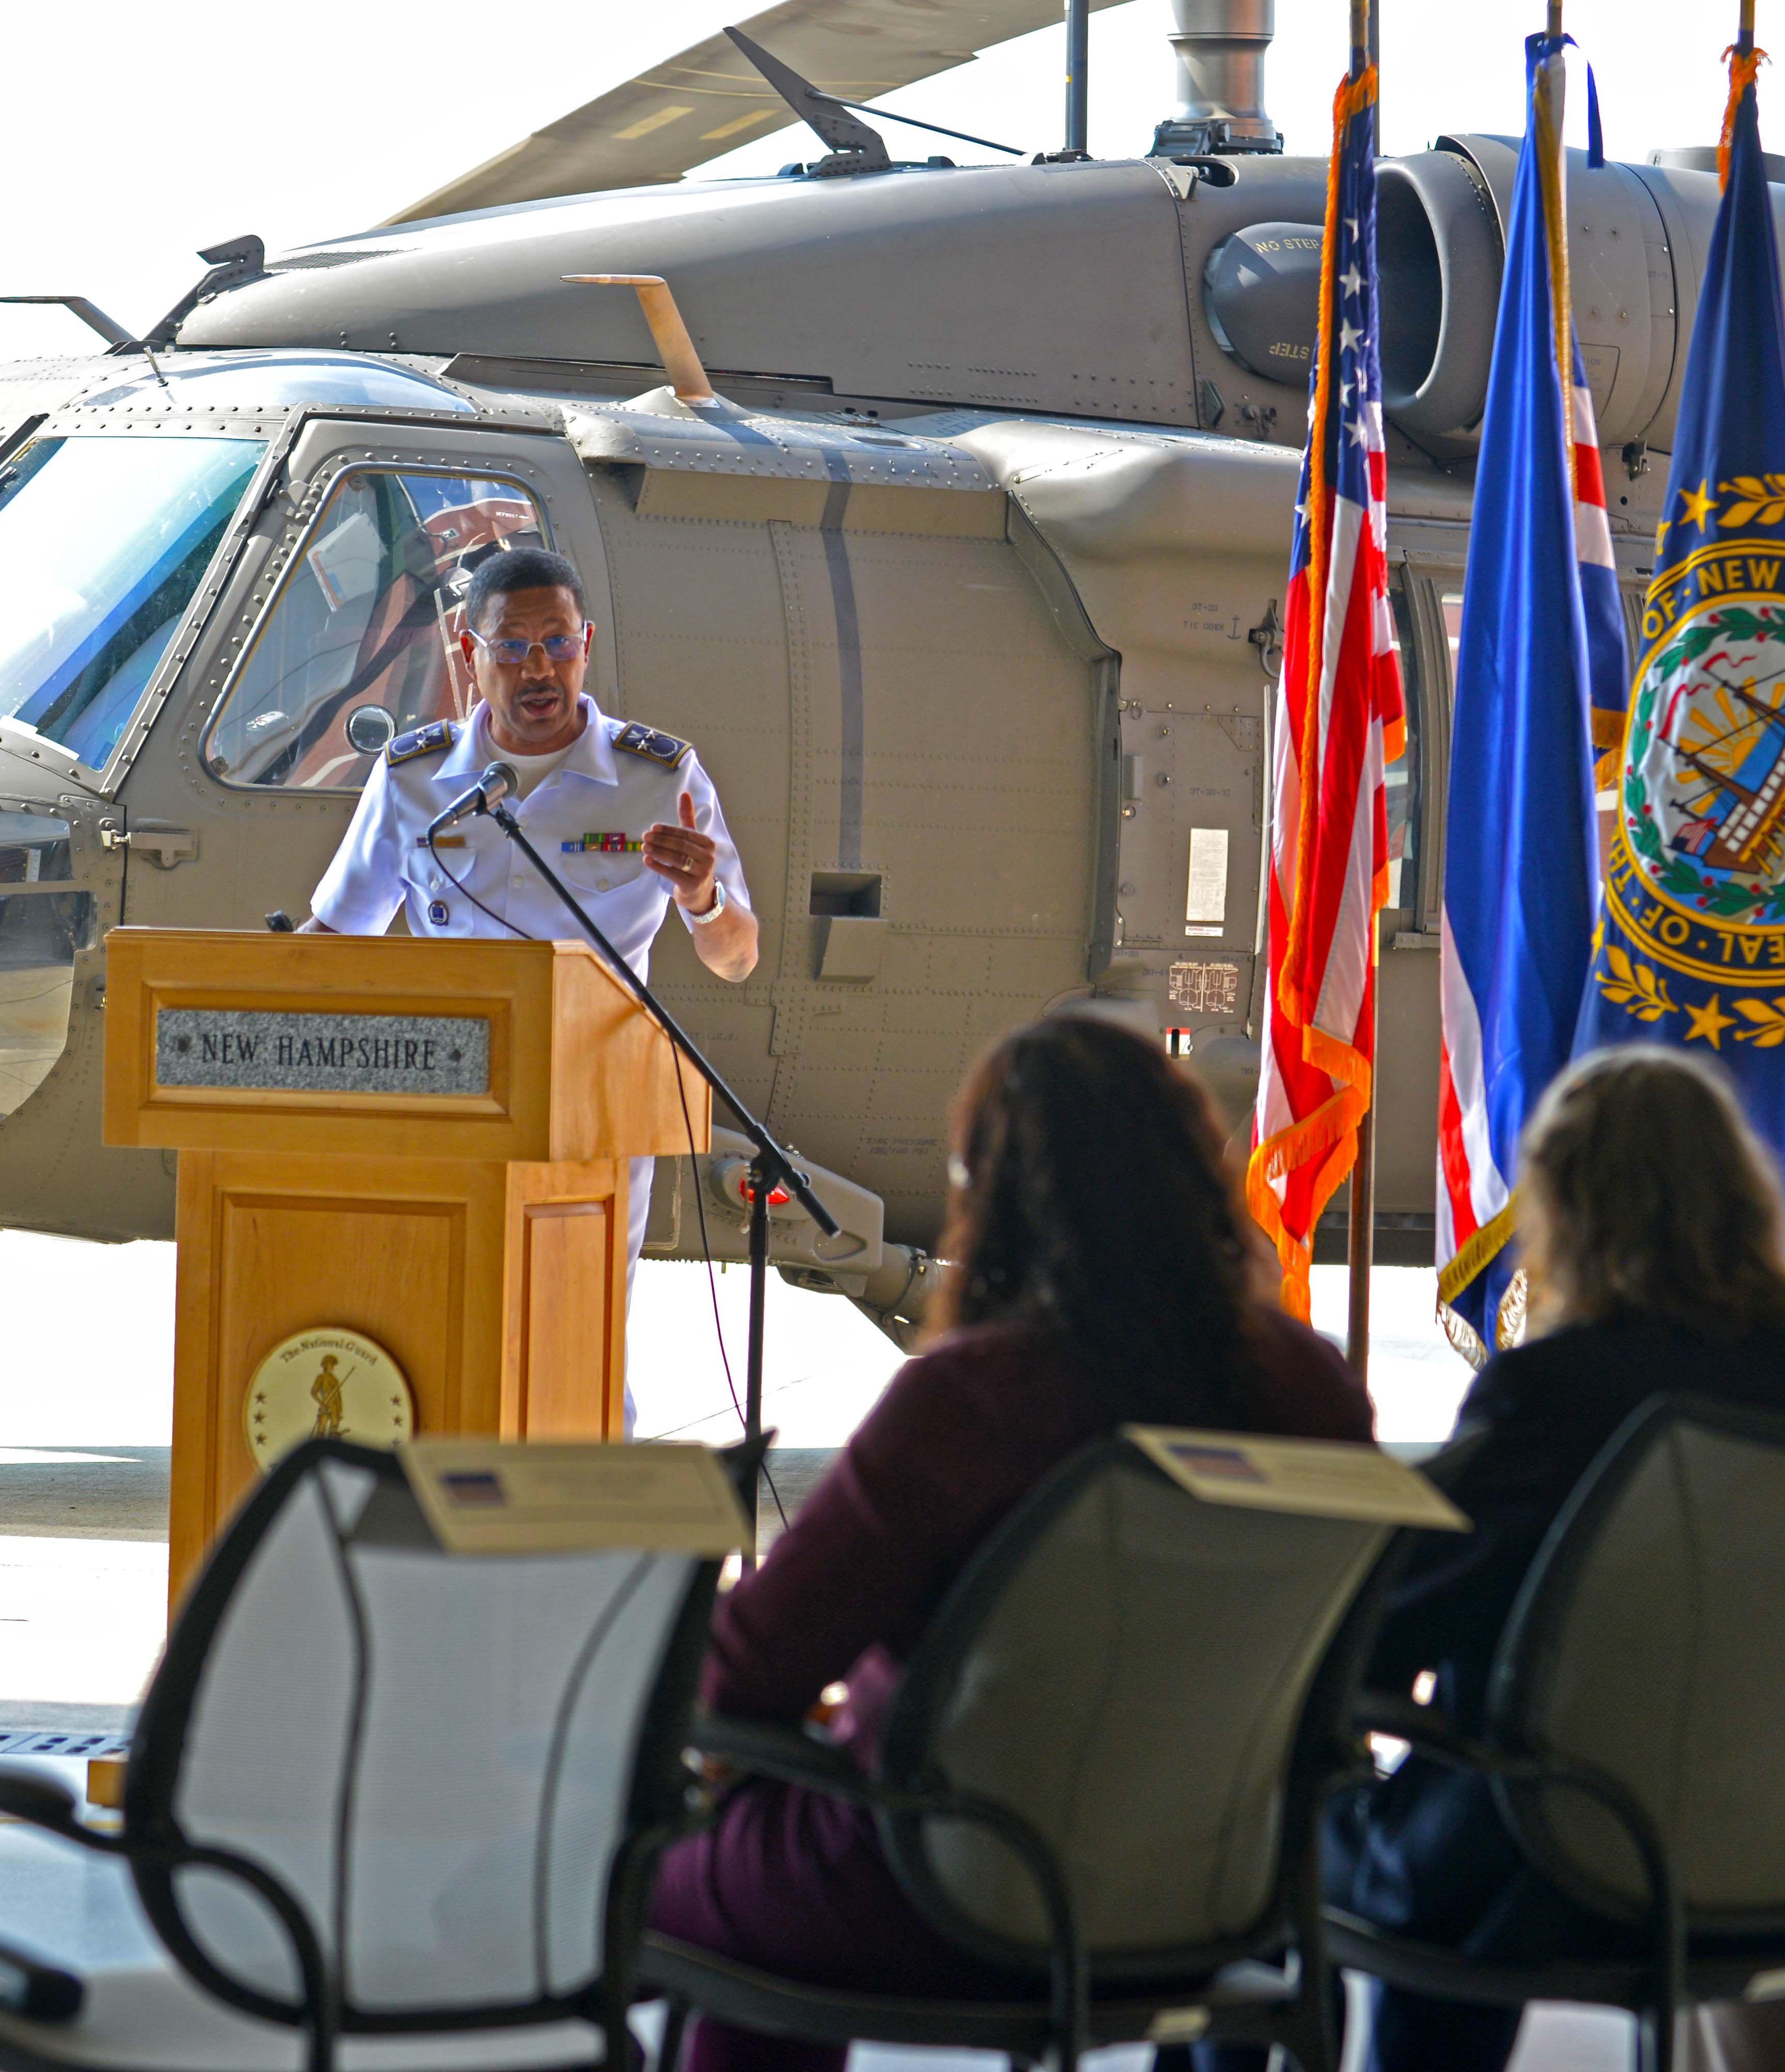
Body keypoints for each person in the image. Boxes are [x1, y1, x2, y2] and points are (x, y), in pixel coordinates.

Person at [647, 1016, 1374, 2072]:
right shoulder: (1314, 1392)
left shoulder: (970, 1402)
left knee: (660, 1863)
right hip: (1214, 1906)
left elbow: (743, 1672)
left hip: (936, 1895)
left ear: (991, 1195)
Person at [1328, 1045, 1785, 2072]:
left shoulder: (1550, 1390)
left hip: (1569, 1867)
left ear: (1569, 1215)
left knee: (1303, 1820)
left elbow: (1397, 1623)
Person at [301, 546, 756, 1314]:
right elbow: (335, 934)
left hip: (597, 1104)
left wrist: (704, 896)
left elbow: (737, 959)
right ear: (470, 653)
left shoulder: (659, 779)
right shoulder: (416, 777)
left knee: (577, 1328)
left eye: (558, 642)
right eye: (512, 646)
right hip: (446, 1099)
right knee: (443, 1316)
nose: (539, 667)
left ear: (587, 646)